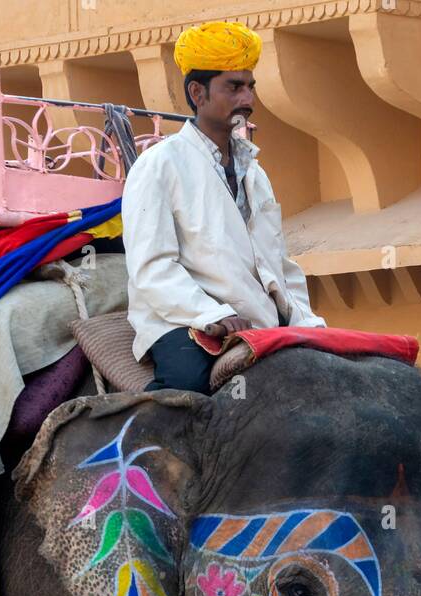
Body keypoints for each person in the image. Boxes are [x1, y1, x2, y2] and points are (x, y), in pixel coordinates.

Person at [120, 19, 326, 394]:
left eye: (250, 87)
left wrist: (305, 320)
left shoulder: (255, 172)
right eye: (234, 87)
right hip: (180, 320)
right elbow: (152, 267)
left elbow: (277, 263)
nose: (247, 100)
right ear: (198, 92)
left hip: (254, 319)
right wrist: (214, 315)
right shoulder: (158, 165)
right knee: (186, 392)